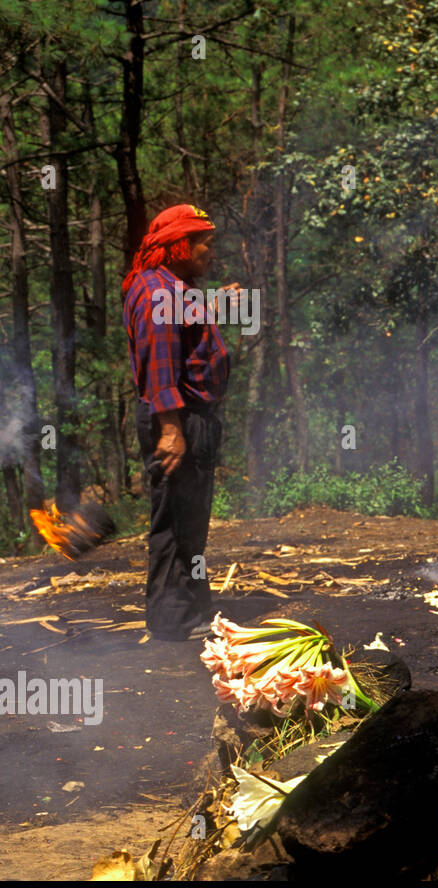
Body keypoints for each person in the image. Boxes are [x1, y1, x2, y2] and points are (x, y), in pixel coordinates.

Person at [122, 204, 236, 642]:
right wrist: (171, 430)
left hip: (190, 421)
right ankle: (172, 622)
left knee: (190, 523)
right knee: (173, 523)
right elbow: (159, 366)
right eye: (205, 243)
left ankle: (192, 611)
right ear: (179, 245)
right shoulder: (157, 293)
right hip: (178, 421)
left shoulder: (171, 287)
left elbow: (182, 328)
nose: (211, 252)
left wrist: (218, 303)